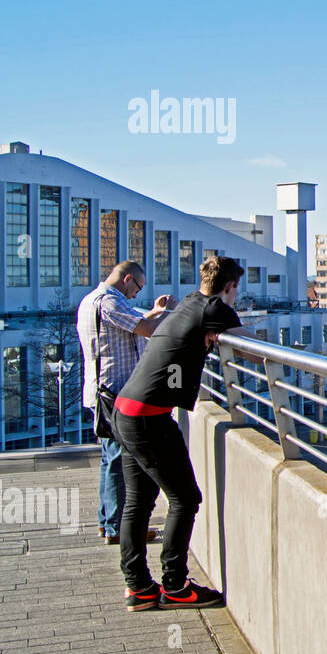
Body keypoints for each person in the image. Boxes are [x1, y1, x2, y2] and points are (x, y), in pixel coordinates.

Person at [112, 256, 251, 612]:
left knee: (138, 502)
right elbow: (250, 349)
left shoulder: (190, 302)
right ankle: (175, 586)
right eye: (237, 290)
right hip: (148, 418)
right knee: (185, 499)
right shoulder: (217, 309)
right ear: (231, 286)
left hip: (125, 408)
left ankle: (139, 588)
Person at [76, 260, 173, 545]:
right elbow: (146, 329)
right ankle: (118, 527)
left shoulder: (91, 300)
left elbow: (133, 323)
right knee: (120, 460)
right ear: (127, 279)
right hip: (115, 392)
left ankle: (107, 522)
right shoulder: (108, 303)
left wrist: (156, 310)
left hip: (102, 390)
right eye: (137, 288)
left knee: (110, 458)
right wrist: (166, 314)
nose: (136, 295)